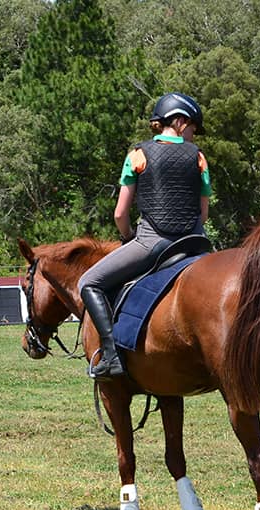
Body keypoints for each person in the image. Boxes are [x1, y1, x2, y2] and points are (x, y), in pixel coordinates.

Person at [78, 92, 212, 378]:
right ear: (179, 121)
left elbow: (119, 214)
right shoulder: (198, 157)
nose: (192, 135)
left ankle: (112, 356)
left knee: (89, 282)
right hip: (195, 243)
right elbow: (203, 214)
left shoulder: (137, 155)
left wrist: (128, 237)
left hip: (153, 242)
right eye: (192, 128)